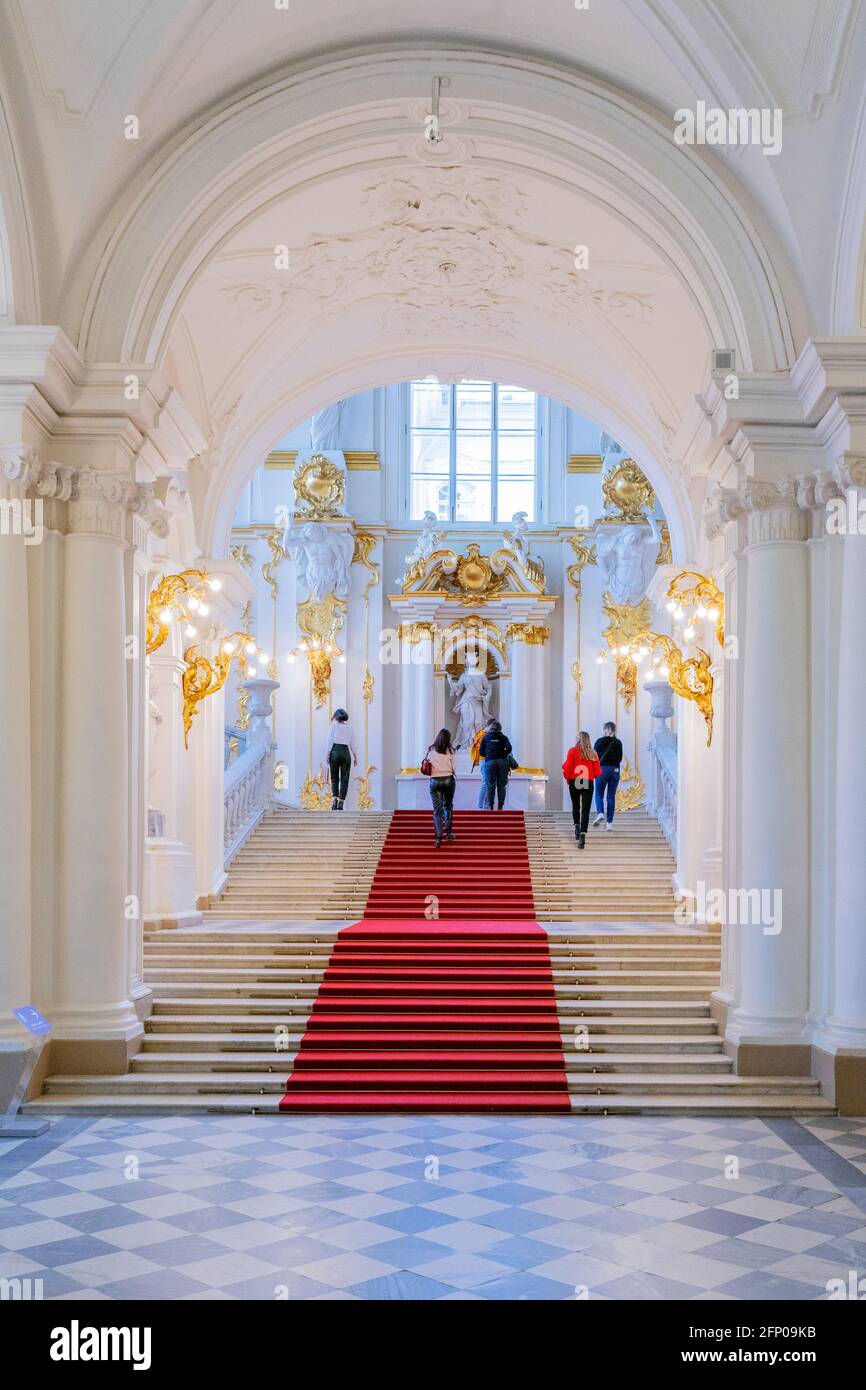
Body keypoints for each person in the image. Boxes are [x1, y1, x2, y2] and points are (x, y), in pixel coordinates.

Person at [562, 731, 602, 848]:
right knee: (585, 810)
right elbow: (598, 772)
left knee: (576, 806)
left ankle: (576, 827)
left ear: (578, 739)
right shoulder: (593, 753)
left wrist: (568, 779)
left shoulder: (572, 751)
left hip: (576, 781)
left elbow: (568, 768)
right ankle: (582, 838)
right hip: (587, 781)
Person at [424, 728, 456, 847]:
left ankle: (438, 838)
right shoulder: (451, 750)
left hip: (435, 780)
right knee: (448, 806)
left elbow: (427, 764)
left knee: (437, 810)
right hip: (448, 779)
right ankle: (448, 832)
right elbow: (455, 767)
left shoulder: (431, 749)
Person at [593, 721, 624, 830]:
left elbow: (594, 757)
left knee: (598, 794)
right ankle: (609, 823)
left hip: (602, 769)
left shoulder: (599, 742)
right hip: (615, 770)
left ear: (605, 729)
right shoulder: (618, 742)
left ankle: (600, 812)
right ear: (614, 730)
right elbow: (620, 758)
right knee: (611, 796)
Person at [326, 708, 357, 810]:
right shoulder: (350, 728)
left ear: (336, 716)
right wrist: (355, 756)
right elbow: (352, 742)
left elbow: (330, 741)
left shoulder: (333, 726)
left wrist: (328, 754)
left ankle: (334, 800)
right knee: (345, 778)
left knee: (334, 778)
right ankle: (341, 802)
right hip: (345, 752)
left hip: (335, 751)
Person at [478, 720, 513, 810]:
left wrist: (489, 754)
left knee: (490, 785)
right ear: (500, 728)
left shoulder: (485, 738)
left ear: (491, 728)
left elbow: (481, 752)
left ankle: (491, 806)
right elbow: (509, 749)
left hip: (490, 762)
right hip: (502, 762)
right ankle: (500, 806)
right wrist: (502, 753)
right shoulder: (504, 737)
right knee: (501, 785)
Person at [471, 717, 497, 809]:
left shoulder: (487, 734)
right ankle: (480, 806)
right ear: (489, 726)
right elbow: (482, 749)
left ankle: (486, 807)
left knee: (489, 784)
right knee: (485, 783)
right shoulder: (483, 735)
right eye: (494, 727)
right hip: (484, 760)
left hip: (489, 760)